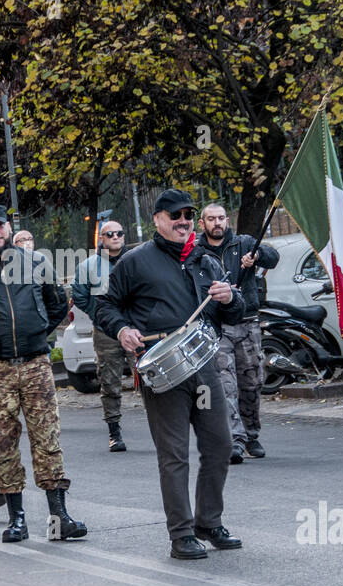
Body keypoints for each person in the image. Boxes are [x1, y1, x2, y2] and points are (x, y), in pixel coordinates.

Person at [96, 188, 245, 559]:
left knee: (220, 445)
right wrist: (122, 330)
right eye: (175, 216)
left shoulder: (204, 260)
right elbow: (105, 307)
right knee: (174, 454)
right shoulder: (134, 262)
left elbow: (237, 312)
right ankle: (181, 535)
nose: (183, 222)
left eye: (188, 216)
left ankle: (208, 522)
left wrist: (231, 298)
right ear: (158, 220)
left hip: (203, 366)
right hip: (163, 369)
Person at [0, 205, 86, 543]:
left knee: (47, 439)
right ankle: (17, 519)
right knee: (2, 442)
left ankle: (59, 519)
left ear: (8, 228)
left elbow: (56, 304)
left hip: (36, 363)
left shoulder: (36, 264)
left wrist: (38, 332)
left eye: (0, 226)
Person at [199, 204, 280, 463]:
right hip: (218, 327)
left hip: (247, 323)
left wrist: (257, 257)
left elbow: (273, 257)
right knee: (225, 385)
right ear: (203, 224)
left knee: (252, 382)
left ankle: (252, 435)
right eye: (211, 219)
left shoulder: (244, 243)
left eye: (221, 218)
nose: (217, 223)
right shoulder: (197, 253)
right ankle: (234, 440)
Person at [71, 220, 133, 451]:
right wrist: (98, 315)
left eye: (119, 233)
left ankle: (162, 426)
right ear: (102, 239)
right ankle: (114, 431)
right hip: (106, 332)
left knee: (147, 376)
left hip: (136, 329)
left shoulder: (135, 261)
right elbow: (79, 295)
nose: (116, 237)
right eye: (110, 234)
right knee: (109, 381)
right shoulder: (88, 266)